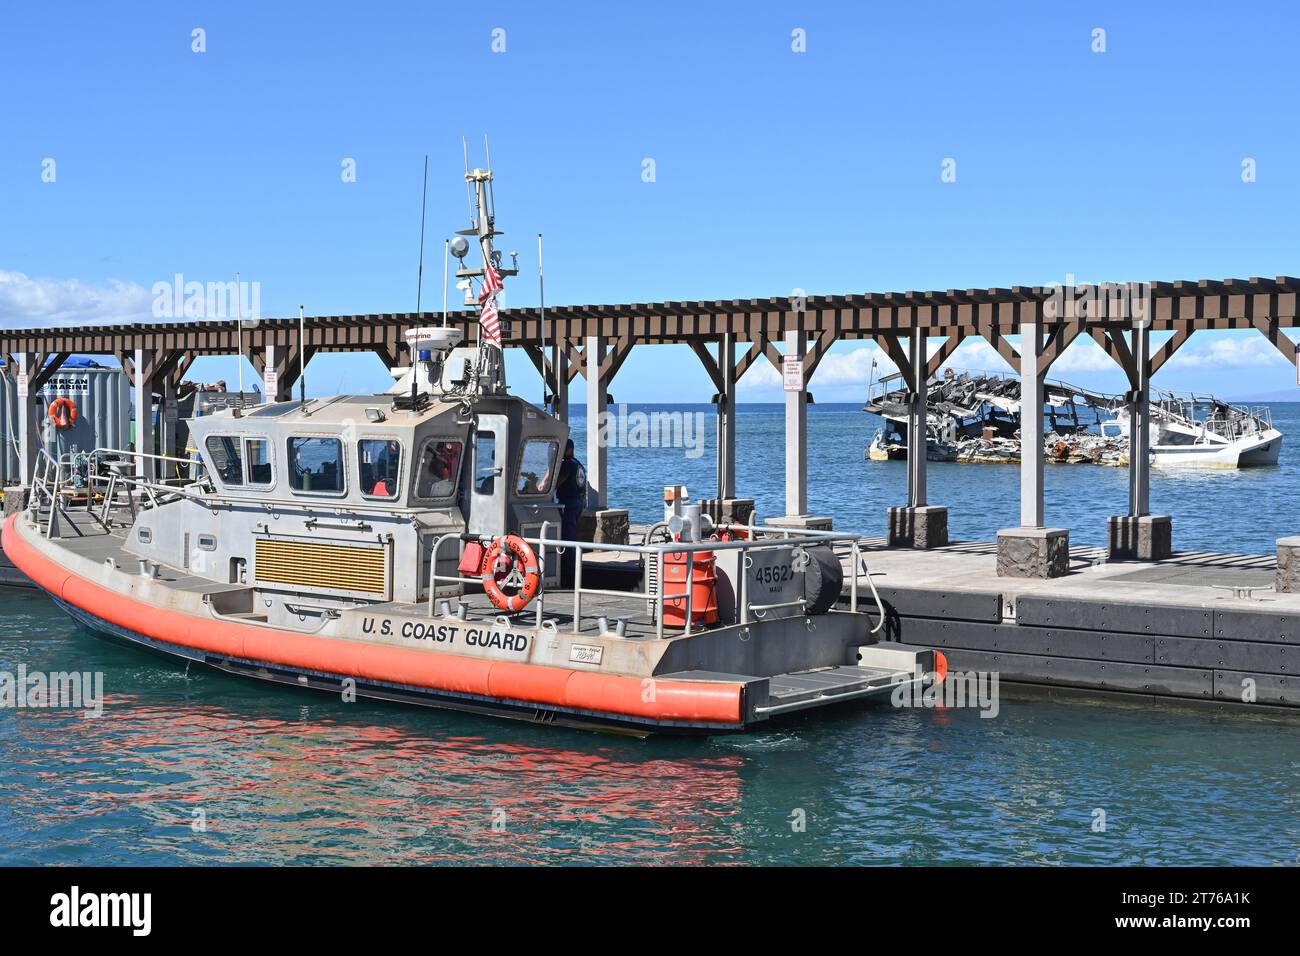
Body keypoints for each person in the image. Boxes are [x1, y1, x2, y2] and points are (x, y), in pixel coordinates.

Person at [554, 439, 586, 585]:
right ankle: (573, 571)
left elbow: (556, 482)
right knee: (572, 538)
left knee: (566, 540)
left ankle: (568, 575)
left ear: (567, 449)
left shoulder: (566, 464)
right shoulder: (578, 464)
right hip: (578, 504)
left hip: (568, 504)